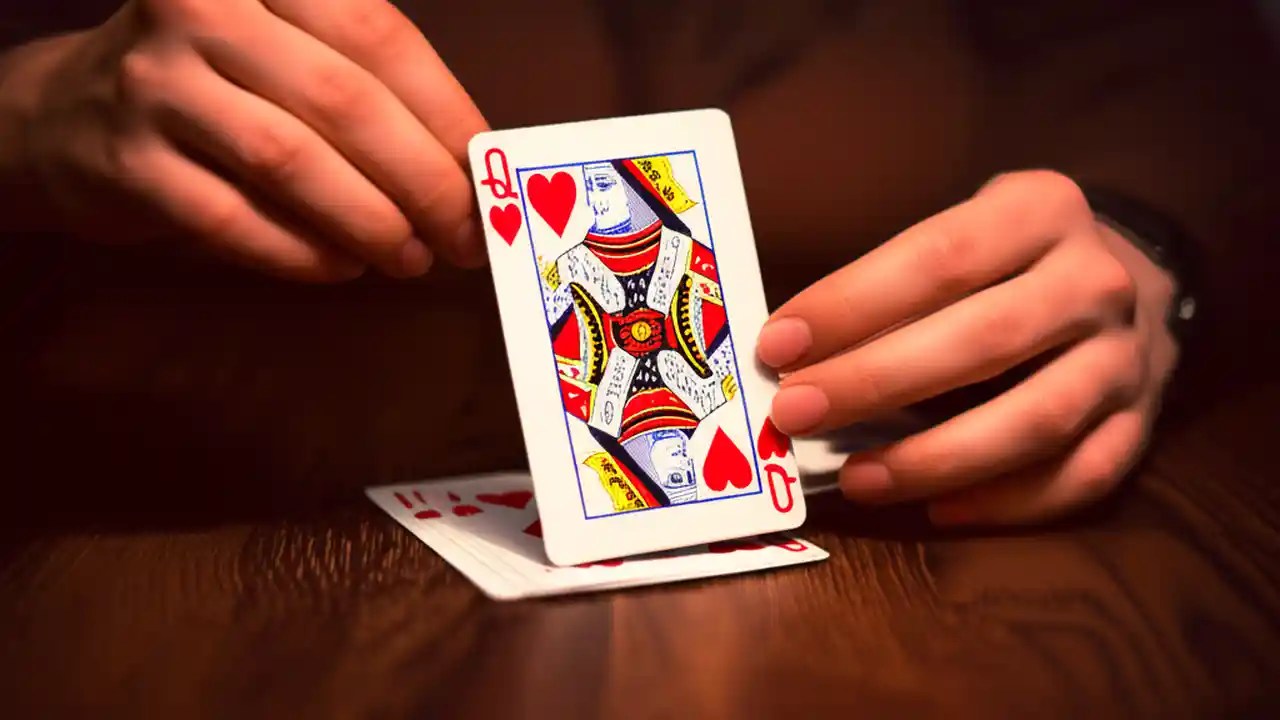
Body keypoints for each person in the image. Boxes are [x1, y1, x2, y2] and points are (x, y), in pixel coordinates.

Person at [0, 1, 1271, 526]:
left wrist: (1149, 238)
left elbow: (1179, 62)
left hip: (900, 534)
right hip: (165, 508)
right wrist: (23, 106)